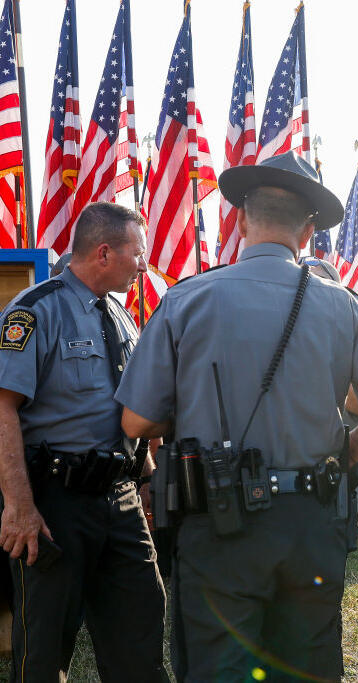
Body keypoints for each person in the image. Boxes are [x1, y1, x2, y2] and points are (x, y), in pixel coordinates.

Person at [115, 151, 358, 682]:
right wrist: (351, 446)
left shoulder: (187, 299)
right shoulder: (343, 305)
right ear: (307, 230)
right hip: (312, 519)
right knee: (307, 667)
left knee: (219, 668)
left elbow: (136, 422)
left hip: (220, 520)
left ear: (240, 220)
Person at [0, 202, 166, 681]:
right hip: (55, 505)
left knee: (140, 633)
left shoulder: (122, 316)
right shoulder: (34, 310)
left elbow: (123, 412)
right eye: (139, 253)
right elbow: (2, 407)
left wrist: (147, 479)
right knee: (45, 649)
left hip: (122, 499)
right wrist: (19, 507)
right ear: (105, 251)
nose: (144, 264)